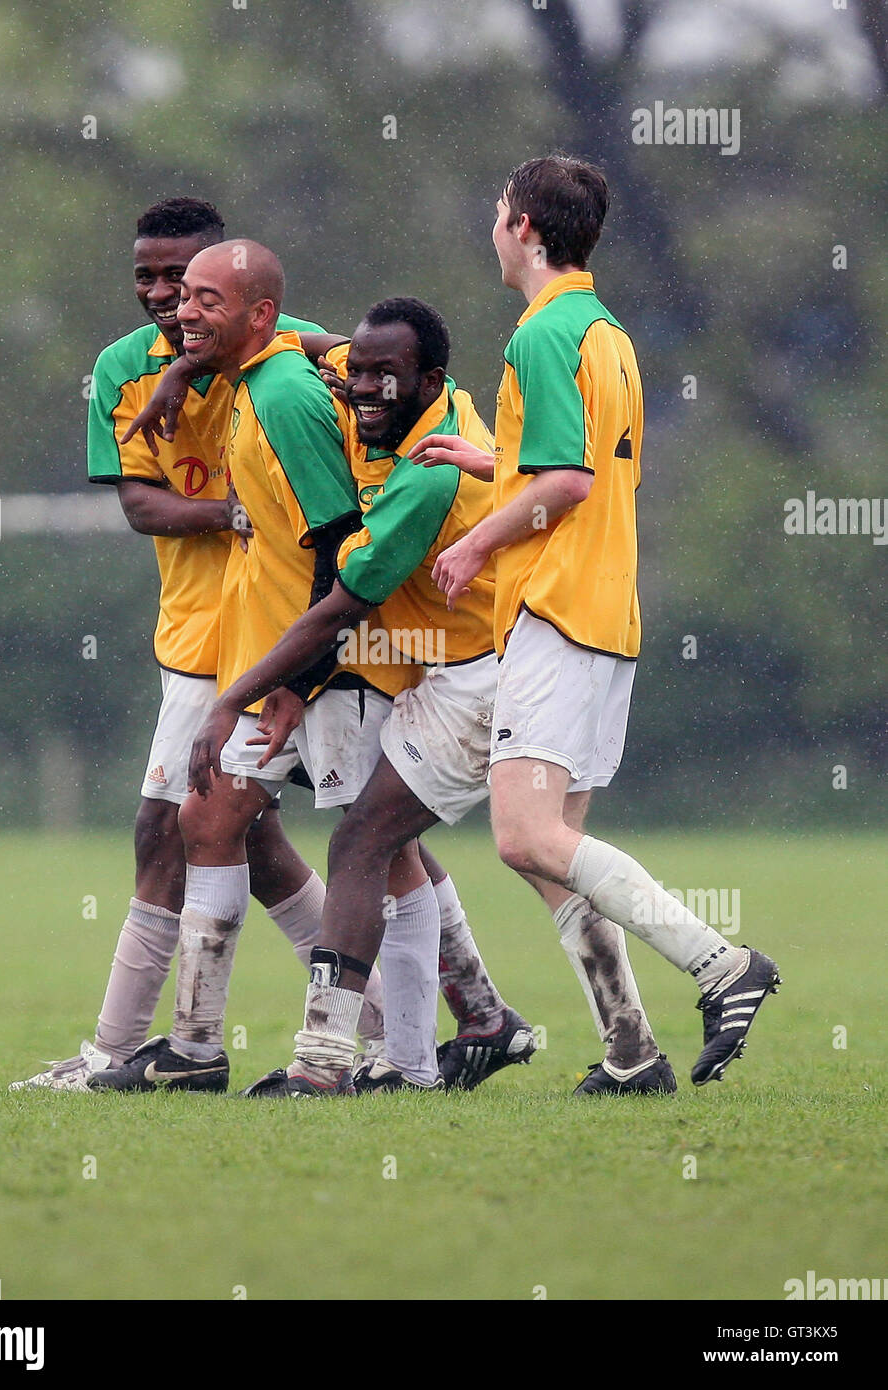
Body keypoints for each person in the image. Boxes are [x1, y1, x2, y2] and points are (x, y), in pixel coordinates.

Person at [183, 297, 673, 1097]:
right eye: (360, 372)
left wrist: (240, 695)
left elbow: (342, 603)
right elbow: (307, 337)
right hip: (435, 672)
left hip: (477, 677)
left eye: (386, 376)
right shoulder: (374, 382)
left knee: (383, 845)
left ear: (430, 382)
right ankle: (546, 1037)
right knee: (426, 848)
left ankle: (333, 1064)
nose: (364, 386)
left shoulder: (426, 479)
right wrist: (183, 367)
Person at [10, 200, 385, 1091]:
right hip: (196, 633)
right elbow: (139, 505)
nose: (163, 296)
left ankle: (133, 1052)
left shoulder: (279, 347)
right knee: (259, 838)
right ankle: (415, 1026)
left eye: (181, 280)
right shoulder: (121, 370)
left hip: (277, 631)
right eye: (146, 277)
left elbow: (364, 365)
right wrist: (228, 507)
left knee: (195, 828)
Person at [427, 155, 781, 1086]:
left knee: (522, 837)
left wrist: (471, 546)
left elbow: (569, 484)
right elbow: (572, 465)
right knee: (555, 855)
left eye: (499, 211)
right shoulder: (605, 330)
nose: (492, 225)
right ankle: (628, 1049)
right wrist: (488, 462)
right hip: (600, 609)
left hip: (554, 607)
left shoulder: (542, 334)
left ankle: (722, 965)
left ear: (528, 230)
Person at [89, 241, 429, 1092]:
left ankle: (408, 1059)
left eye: (204, 297)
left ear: (260, 316)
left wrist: (295, 679)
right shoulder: (248, 380)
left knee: (384, 851)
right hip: (277, 664)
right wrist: (180, 375)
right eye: (178, 297)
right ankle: (196, 1051)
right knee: (208, 823)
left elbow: (339, 549)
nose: (183, 311)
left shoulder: (280, 394)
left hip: (324, 665)